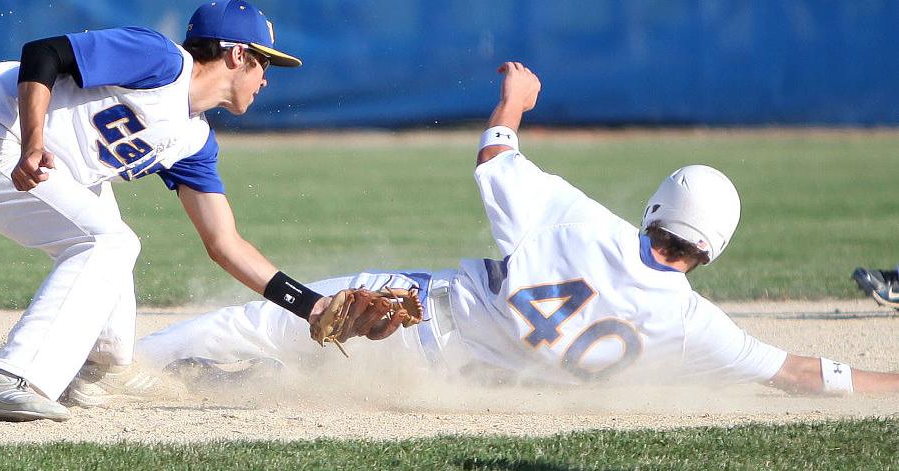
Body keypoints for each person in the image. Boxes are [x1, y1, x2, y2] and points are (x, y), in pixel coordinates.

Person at [135, 63, 899, 396]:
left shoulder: (577, 220)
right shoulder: (695, 327)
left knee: (256, 325)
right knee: (289, 371)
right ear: (715, 247)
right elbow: (801, 373)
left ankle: (124, 365)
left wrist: (515, 100)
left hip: (408, 315)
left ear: (656, 210)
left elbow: (495, 154)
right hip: (440, 384)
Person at [0, 0, 374, 423]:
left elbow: (224, 243)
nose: (266, 79)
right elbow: (43, 53)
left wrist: (311, 306)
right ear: (237, 56)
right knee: (109, 242)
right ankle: (9, 378)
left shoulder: (194, 140)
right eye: (264, 63)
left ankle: (87, 376)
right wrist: (34, 142)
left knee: (111, 349)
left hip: (44, 164)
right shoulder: (161, 60)